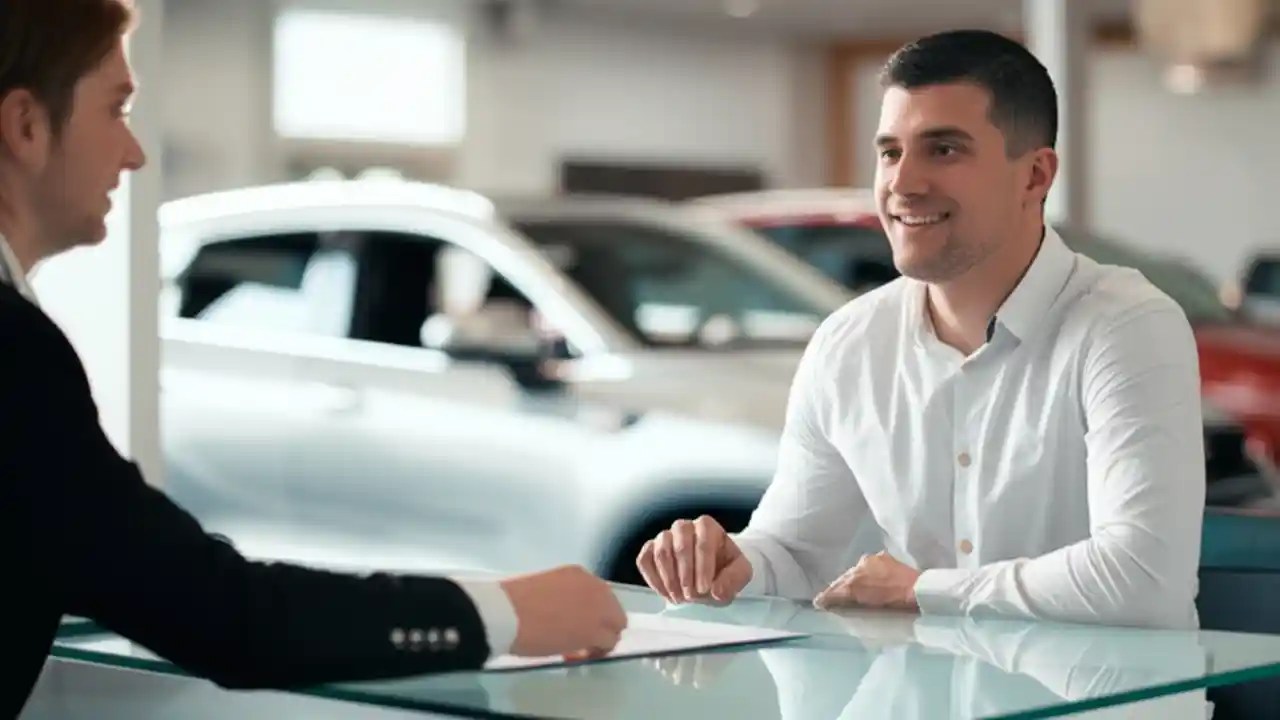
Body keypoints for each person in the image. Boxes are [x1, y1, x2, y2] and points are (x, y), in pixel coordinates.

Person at [1, 1, 625, 715]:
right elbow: (227, 616)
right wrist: (508, 613)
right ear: (25, 126)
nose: (134, 152)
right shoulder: (15, 352)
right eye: (116, 110)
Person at [637, 29, 1205, 630]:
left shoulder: (1126, 326)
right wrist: (737, 562)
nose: (903, 183)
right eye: (889, 152)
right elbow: (797, 554)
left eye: (944, 150)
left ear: (1035, 176)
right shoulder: (848, 344)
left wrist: (924, 591)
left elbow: (1145, 578)